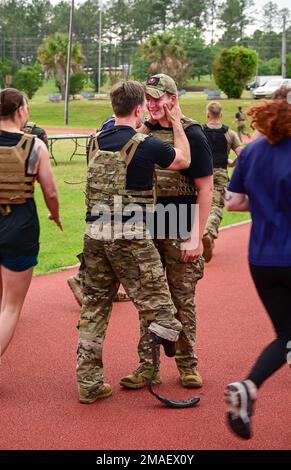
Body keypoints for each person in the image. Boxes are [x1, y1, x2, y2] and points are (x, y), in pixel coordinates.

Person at [76, 79, 192, 404]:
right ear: (139, 109)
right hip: (131, 236)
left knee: (94, 308)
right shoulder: (146, 143)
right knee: (163, 307)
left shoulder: (94, 142)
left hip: (95, 233)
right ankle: (160, 355)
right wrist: (178, 121)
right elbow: (183, 160)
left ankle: (89, 384)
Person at [120, 74, 213, 390]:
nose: (153, 104)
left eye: (158, 98)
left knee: (182, 299)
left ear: (173, 99)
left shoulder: (192, 134)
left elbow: (206, 187)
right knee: (149, 300)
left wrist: (195, 235)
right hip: (148, 228)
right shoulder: (143, 133)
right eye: (148, 98)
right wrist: (144, 126)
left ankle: (187, 366)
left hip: (179, 225)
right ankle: (148, 367)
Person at [224, 85, 291, 439]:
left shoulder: (251, 152)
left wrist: (267, 205)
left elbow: (233, 202)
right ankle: (249, 384)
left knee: (285, 333)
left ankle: (249, 387)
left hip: (262, 259)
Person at [0, 88, 62, 358]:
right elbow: (50, 191)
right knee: (10, 307)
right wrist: (55, 214)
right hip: (19, 226)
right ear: (21, 111)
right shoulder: (34, 146)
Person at [67, 114, 130, 304]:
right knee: (110, 242)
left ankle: (108, 288)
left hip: (106, 193)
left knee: (110, 241)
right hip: (110, 193)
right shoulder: (113, 125)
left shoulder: (109, 124)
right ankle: (80, 278)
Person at [202, 102, 242, 262]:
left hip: (200, 173)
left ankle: (195, 239)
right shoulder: (230, 133)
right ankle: (209, 232)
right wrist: (231, 163)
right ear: (221, 114)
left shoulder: (198, 132)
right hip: (220, 173)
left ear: (207, 114)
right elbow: (242, 153)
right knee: (216, 206)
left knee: (198, 205)